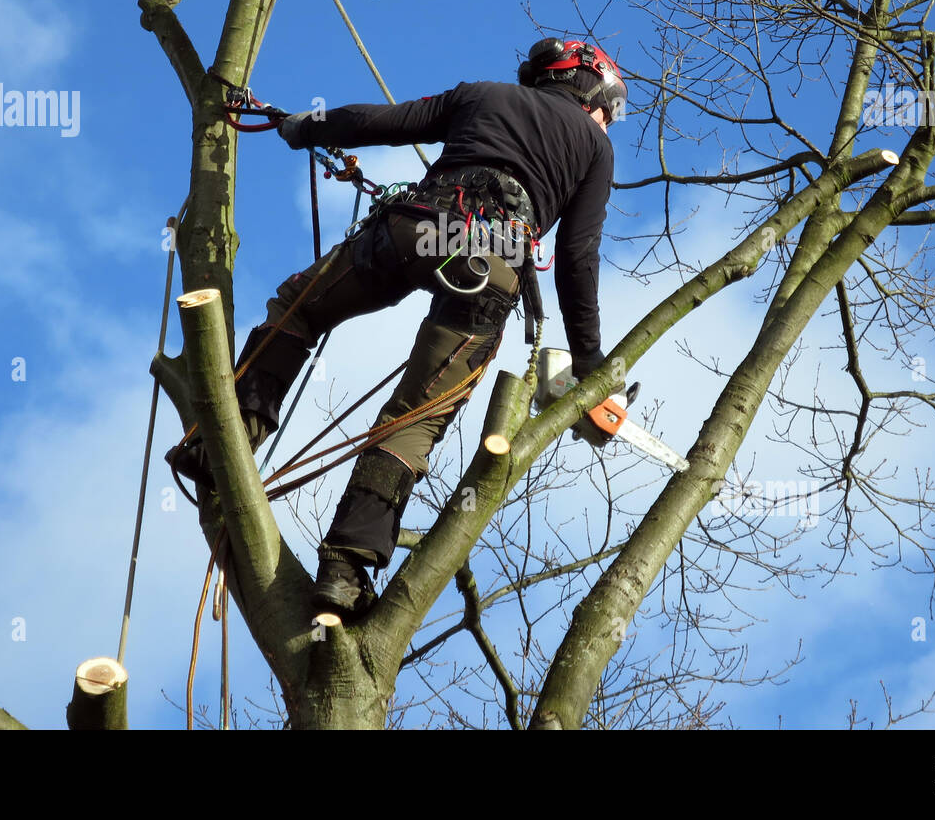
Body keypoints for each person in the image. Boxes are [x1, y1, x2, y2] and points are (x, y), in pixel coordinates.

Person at [169, 38, 625, 619]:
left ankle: (226, 440)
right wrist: (590, 363)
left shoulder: (481, 95)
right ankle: (345, 568)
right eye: (609, 107)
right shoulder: (594, 147)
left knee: (298, 308)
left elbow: (375, 122)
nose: (608, 120)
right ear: (589, 89)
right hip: (489, 262)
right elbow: (578, 257)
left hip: (412, 230)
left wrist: (299, 126)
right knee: (415, 416)